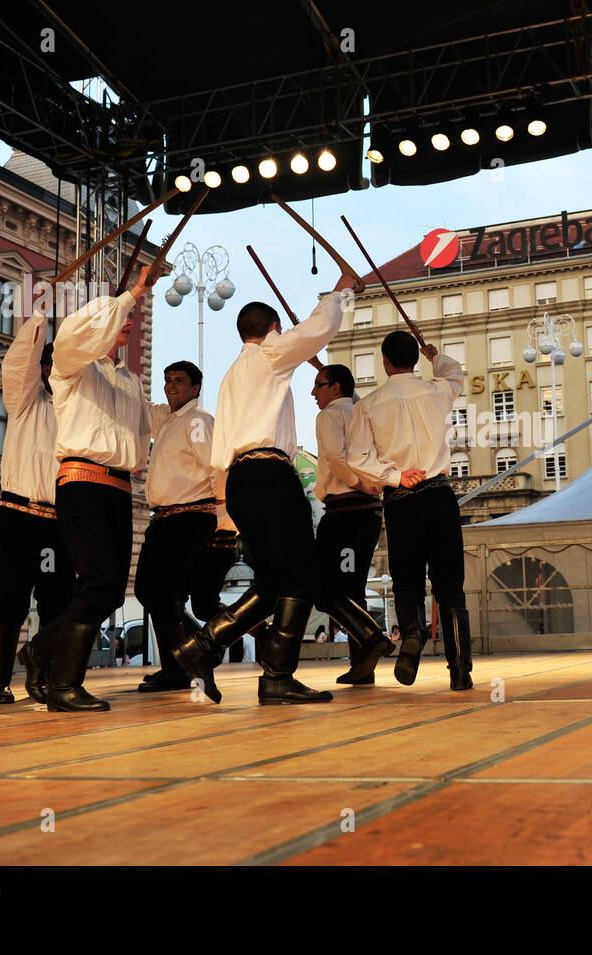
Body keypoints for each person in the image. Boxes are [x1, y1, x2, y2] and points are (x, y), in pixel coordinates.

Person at [171, 273, 357, 705]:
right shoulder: (269, 355)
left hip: (240, 482)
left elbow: (220, 456)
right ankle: (262, 671)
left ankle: (207, 647)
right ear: (272, 329)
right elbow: (317, 330)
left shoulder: (234, 373)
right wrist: (341, 290)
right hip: (269, 477)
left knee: (276, 580)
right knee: (302, 576)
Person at [18, 265, 157, 712]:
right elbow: (77, 332)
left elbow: (149, 431)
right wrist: (129, 293)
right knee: (96, 581)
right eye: (121, 315)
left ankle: (39, 651)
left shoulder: (128, 380)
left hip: (118, 490)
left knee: (112, 590)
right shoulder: (71, 363)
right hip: (81, 481)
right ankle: (62, 683)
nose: (129, 321)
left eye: (131, 316)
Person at [348, 331, 471, 690]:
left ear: (385, 362)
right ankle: (460, 669)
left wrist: (395, 475)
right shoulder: (437, 391)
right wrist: (435, 356)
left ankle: (414, 633)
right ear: (415, 360)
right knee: (450, 585)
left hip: (402, 500)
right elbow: (454, 374)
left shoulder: (369, 404)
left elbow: (356, 457)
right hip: (440, 495)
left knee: (407, 579)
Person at [0, 312, 76, 704]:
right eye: (49, 365)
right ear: (41, 368)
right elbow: (16, 363)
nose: (53, 373)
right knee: (11, 598)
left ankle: (45, 677)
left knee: (57, 600)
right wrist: (38, 322)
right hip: (19, 516)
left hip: (57, 523)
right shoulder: (24, 401)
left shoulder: (75, 414)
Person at [133, 360, 220, 693]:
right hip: (167, 517)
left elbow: (216, 464)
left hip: (189, 514)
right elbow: (141, 407)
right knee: (149, 592)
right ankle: (196, 651)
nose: (171, 386)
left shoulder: (197, 421)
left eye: (179, 381)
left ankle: (179, 667)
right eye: (167, 380)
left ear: (195, 388)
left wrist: (218, 508)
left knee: (163, 593)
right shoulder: (169, 420)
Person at [311, 363, 393, 685]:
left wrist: (358, 483)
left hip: (346, 510)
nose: (313, 392)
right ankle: (362, 666)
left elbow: (335, 456)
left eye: (319, 384)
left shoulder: (329, 415)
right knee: (352, 585)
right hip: (368, 514)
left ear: (335, 388)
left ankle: (372, 637)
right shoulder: (363, 412)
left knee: (325, 589)